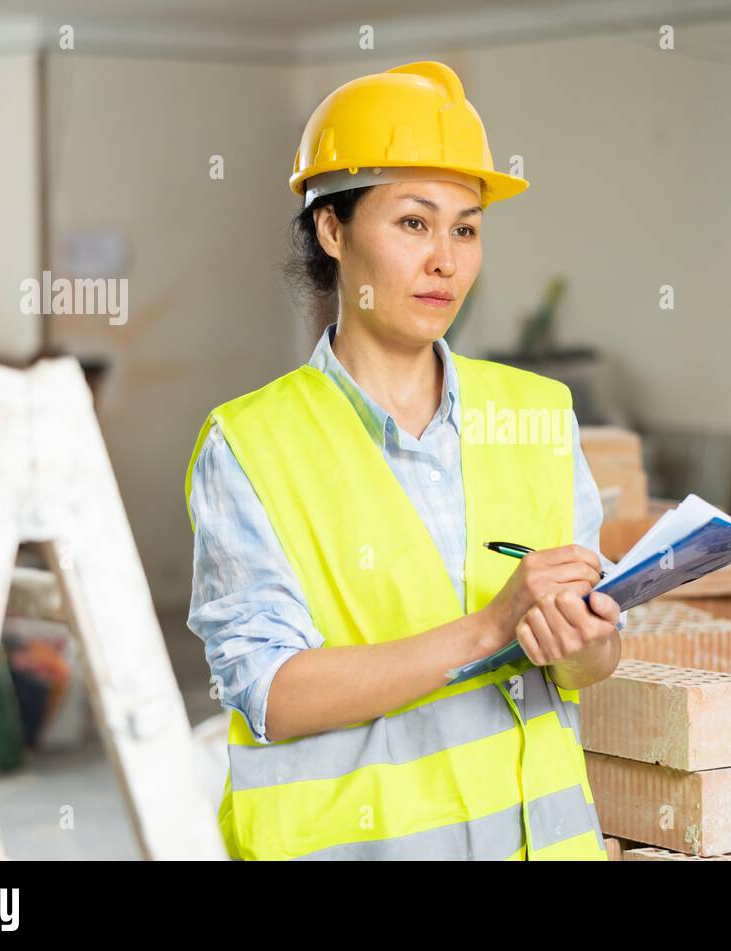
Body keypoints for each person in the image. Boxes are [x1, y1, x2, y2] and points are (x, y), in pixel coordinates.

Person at [185, 61, 623, 861]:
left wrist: (587, 638)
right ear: (332, 230)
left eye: (466, 227)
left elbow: (587, 667)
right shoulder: (252, 443)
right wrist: (491, 627)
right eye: (414, 223)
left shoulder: (536, 413)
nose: (446, 261)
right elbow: (272, 694)